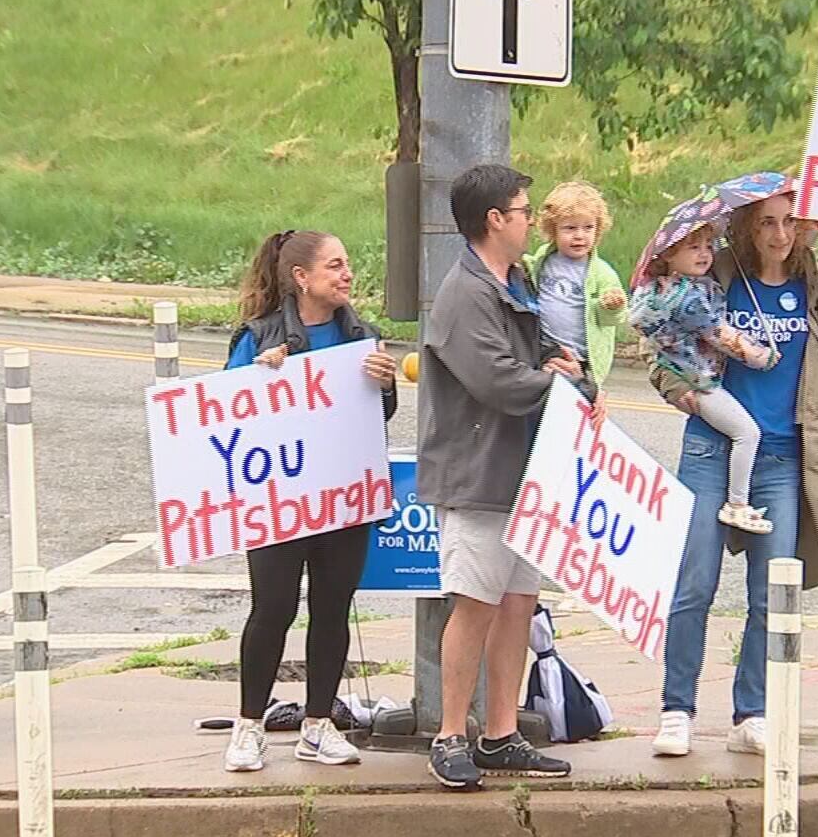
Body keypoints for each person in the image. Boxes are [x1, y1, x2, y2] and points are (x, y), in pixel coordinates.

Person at [648, 174, 818, 758]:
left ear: (808, 227)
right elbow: (661, 343)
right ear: (750, 227)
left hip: (781, 459)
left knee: (772, 592)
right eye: (768, 222)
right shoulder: (719, 273)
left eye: (791, 222)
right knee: (693, 584)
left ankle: (751, 712)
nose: (780, 234)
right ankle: (676, 711)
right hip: (710, 449)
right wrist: (674, 388)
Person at [417, 163, 601, 791]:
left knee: (520, 602)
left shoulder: (517, 281)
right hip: (479, 470)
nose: (530, 222)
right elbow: (496, 378)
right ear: (495, 220)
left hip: (527, 471)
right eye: (522, 212)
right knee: (474, 603)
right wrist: (559, 382)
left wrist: (576, 375)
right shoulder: (464, 294)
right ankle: (450, 734)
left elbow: (547, 348)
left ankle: (500, 732)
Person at [220, 229, 400, 773]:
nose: (347, 275)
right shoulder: (258, 335)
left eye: (348, 266)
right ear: (301, 278)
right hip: (278, 500)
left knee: (332, 608)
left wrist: (384, 385)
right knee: (273, 607)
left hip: (341, 496)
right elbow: (226, 412)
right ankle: (249, 727)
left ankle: (318, 725)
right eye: (335, 266)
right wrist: (261, 377)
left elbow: (376, 419)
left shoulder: (361, 336)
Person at [628, 221, 780, 536]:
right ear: (669, 254)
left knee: (743, 432)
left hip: (696, 372)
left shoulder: (674, 287)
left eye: (708, 246)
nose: (705, 254)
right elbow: (721, 335)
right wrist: (762, 357)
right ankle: (737, 505)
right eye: (693, 247)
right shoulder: (685, 296)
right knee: (746, 433)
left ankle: (738, 503)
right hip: (695, 378)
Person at [523, 180, 629, 383]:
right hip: (545, 353)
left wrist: (611, 306)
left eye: (588, 227)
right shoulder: (543, 262)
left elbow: (614, 320)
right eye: (570, 228)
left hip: (580, 359)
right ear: (552, 231)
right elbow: (528, 272)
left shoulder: (602, 273)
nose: (579, 236)